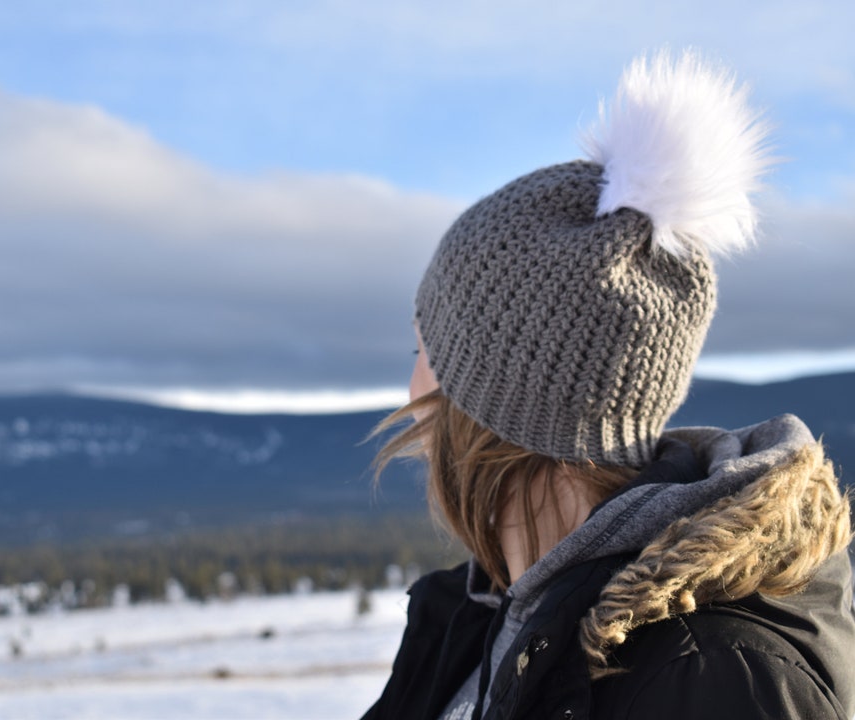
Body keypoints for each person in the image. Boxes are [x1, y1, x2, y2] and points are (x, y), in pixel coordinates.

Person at [362, 50, 855, 720]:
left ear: (496, 402)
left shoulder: (716, 680)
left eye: (423, 348)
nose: (409, 385)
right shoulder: (479, 621)